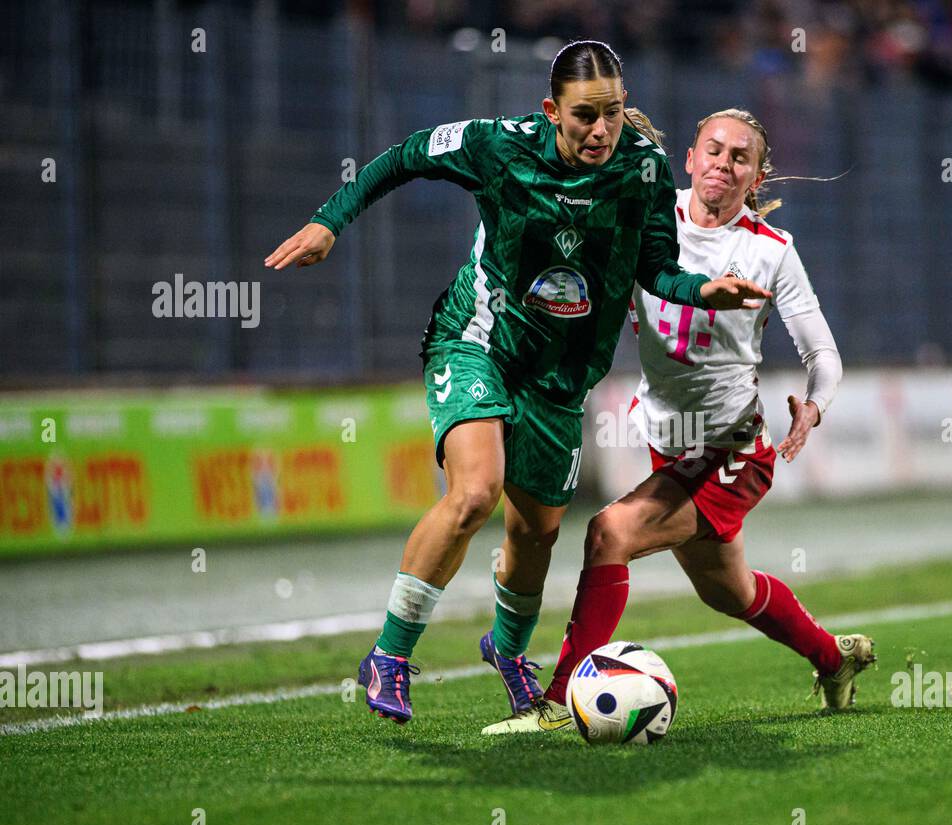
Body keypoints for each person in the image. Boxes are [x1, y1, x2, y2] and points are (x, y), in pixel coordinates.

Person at [264, 41, 771, 724]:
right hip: (481, 341)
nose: (600, 131)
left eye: (613, 114)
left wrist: (702, 291)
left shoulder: (645, 170)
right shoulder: (498, 146)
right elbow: (406, 155)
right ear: (550, 111)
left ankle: (507, 652)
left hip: (561, 378)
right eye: (585, 115)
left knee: (536, 533)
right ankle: (389, 655)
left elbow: (656, 268)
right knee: (475, 492)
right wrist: (331, 221)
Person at [479, 108, 875, 735]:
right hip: (669, 445)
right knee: (728, 591)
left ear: (758, 176)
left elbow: (822, 353)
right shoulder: (648, 221)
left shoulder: (771, 252)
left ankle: (553, 704)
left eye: (740, 156)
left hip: (731, 447)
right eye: (712, 150)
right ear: (689, 160)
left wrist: (814, 404)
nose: (724, 162)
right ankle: (835, 657)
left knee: (610, 533)